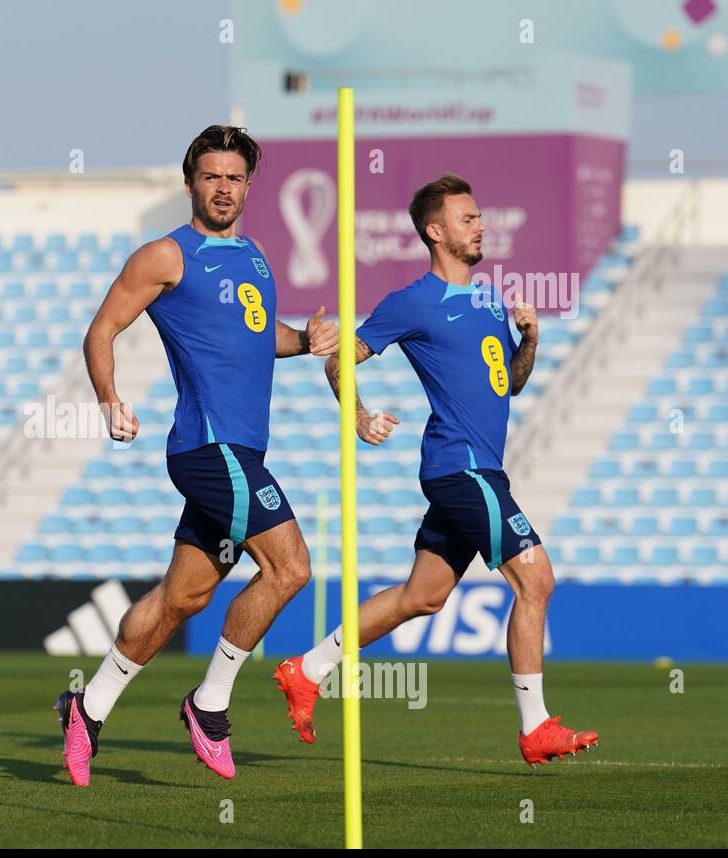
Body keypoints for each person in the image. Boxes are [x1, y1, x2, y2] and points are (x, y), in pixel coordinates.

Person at [273, 173, 599, 767]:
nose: (481, 226)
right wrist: (359, 416)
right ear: (436, 231)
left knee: (422, 597)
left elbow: (511, 385)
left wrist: (529, 339)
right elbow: (339, 360)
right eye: (468, 218)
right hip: (459, 467)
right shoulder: (413, 302)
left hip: (483, 470)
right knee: (537, 579)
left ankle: (308, 668)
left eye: (479, 217)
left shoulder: (487, 301)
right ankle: (536, 728)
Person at [53, 125, 337, 786]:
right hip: (210, 450)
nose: (223, 188)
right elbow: (102, 328)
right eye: (211, 176)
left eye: (234, 177)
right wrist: (109, 398)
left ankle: (86, 710)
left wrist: (310, 337)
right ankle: (208, 705)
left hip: (238, 450)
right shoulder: (166, 256)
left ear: (247, 186)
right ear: (191, 183)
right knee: (291, 567)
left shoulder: (257, 257)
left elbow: (262, 339)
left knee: (183, 597)